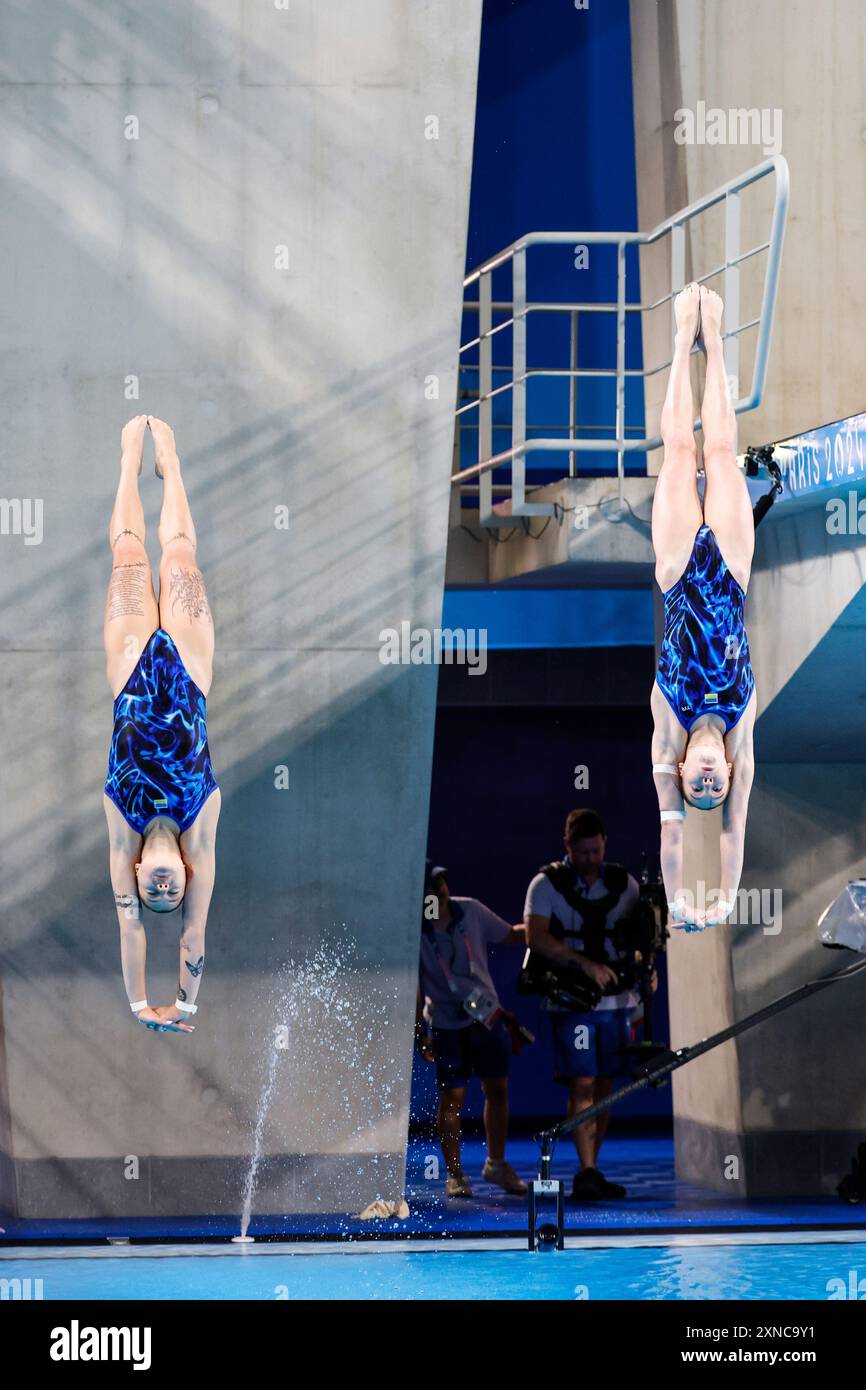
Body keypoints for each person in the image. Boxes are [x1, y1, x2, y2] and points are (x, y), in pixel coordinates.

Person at [103, 415, 220, 1033]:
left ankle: (127, 462)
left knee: (128, 551)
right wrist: (184, 1003)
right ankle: (170, 461)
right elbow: (193, 932)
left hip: (127, 675)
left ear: (141, 877)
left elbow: (131, 928)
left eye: (157, 894)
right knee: (177, 553)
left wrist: (137, 1005)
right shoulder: (199, 833)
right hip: (188, 671)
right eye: (172, 895)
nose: (166, 893)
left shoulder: (122, 835)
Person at [651, 283, 756, 932]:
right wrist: (724, 898)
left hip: (675, 571)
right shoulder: (741, 738)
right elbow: (733, 834)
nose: (713, 784)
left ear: (685, 770)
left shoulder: (667, 735)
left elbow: (672, 841)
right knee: (718, 452)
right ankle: (711, 339)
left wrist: (677, 899)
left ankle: (676, 341)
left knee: (680, 453)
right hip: (732, 571)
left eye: (702, 787)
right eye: (719, 787)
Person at [524, 809, 643, 1202]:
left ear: (604, 844)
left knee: (606, 1084)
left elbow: (643, 935)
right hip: (571, 1001)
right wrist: (585, 965)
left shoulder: (624, 884)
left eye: (596, 850)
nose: (590, 858)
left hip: (618, 1002)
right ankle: (586, 1168)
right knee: (583, 1081)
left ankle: (591, 1168)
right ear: (568, 848)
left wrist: (646, 969)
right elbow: (536, 938)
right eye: (583, 852)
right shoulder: (545, 885)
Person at [416, 863, 528, 1199]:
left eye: (440, 888)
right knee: (452, 1097)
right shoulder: (413, 930)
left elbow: (510, 934)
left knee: (498, 1088)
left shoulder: (472, 912)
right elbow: (412, 982)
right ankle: (455, 1174)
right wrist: (420, 1030)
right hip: (446, 1023)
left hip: (486, 1017)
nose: (437, 896)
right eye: (429, 893)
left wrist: (543, 929)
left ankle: (496, 1163)